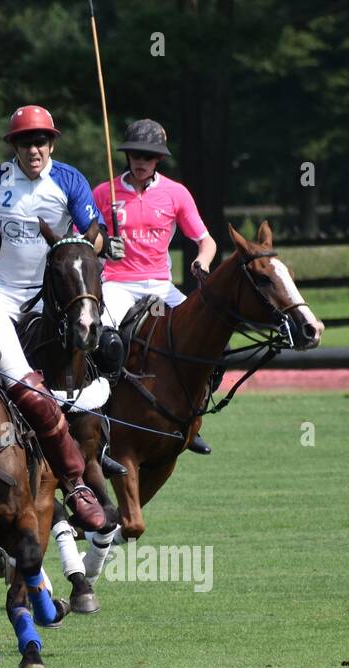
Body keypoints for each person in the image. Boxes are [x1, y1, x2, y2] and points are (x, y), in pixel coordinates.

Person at [0, 104, 112, 531]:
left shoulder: (69, 180)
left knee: (106, 344)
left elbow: (89, 230)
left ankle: (101, 441)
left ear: (51, 143)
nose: (34, 148)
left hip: (51, 296)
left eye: (40, 140)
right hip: (0, 295)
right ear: (15, 147)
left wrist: (102, 240)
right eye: (25, 142)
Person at [93, 119, 218, 455]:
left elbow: (206, 241)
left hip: (161, 287)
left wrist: (201, 262)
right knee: (102, 340)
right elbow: (81, 239)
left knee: (208, 341)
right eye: (135, 153)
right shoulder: (105, 193)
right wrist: (103, 244)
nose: (141, 160)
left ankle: (191, 419)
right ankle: (100, 417)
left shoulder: (176, 193)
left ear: (158, 159)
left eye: (148, 155)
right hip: (118, 283)